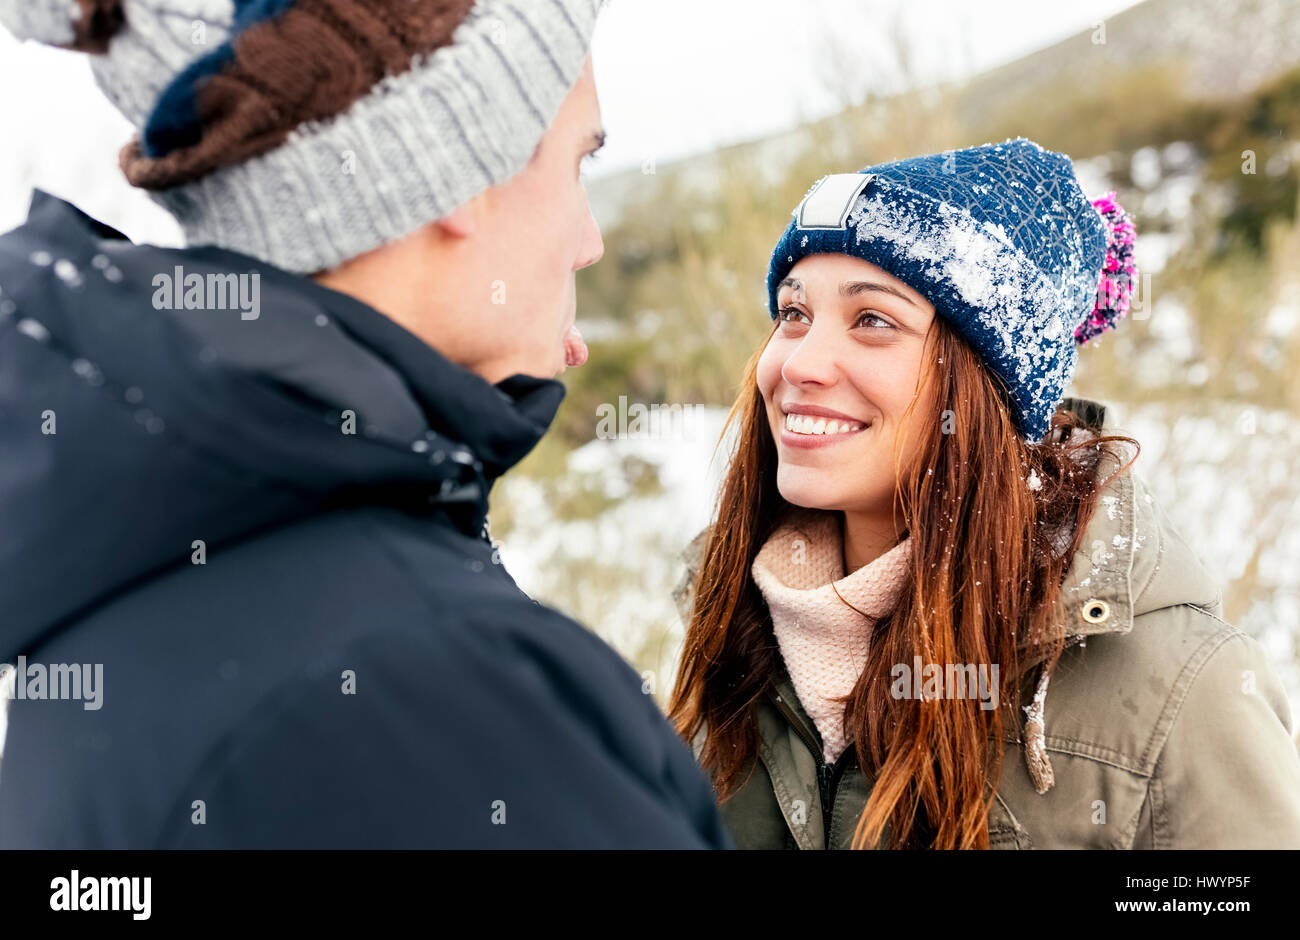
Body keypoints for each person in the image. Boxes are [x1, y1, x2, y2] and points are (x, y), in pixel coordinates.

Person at [0, 0, 732, 849]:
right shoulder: (432, 687)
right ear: (463, 168)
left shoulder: (135, 588)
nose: (588, 240)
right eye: (578, 163)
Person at [669, 137, 1300, 849]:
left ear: (985, 386)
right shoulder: (729, 634)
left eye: (873, 319)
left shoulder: (1182, 689)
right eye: (793, 314)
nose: (799, 362)